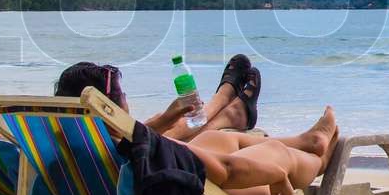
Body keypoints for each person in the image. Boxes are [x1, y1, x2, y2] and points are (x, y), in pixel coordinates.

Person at [53, 60, 338, 195]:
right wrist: (275, 174)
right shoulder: (142, 151)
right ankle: (319, 158)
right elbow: (227, 172)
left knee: (214, 137)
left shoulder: (68, 140)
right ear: (115, 107)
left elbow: (128, 133)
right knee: (274, 153)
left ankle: (307, 141)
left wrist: (166, 119)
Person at [57, 55, 262, 142]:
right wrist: (167, 117)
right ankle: (224, 106)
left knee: (155, 132)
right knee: (162, 137)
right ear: (108, 108)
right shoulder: (118, 153)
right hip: (150, 194)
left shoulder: (66, 139)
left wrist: (165, 118)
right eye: (122, 95)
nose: (126, 98)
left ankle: (227, 111)